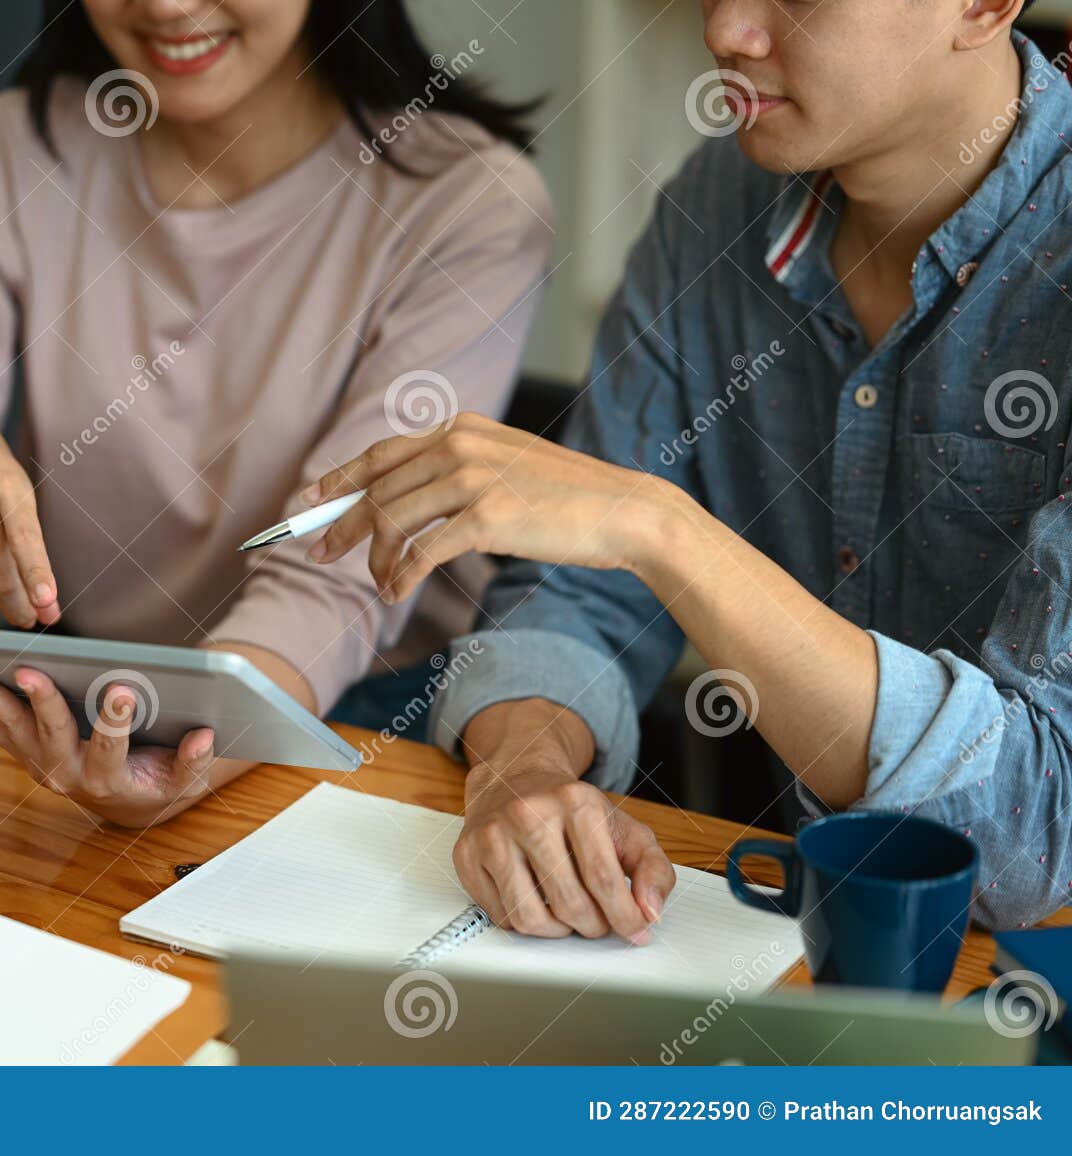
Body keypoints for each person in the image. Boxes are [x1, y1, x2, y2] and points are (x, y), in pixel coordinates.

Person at [304, 0, 1070, 939]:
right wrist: (526, 772)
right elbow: (579, 594)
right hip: (825, 951)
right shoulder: (717, 206)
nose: (727, 31)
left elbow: (1035, 837)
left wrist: (657, 528)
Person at [0, 0, 552, 826]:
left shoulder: (469, 201)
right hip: (107, 706)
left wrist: (172, 761)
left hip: (359, 717)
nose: (165, 5)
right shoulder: (11, 152)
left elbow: (331, 581)